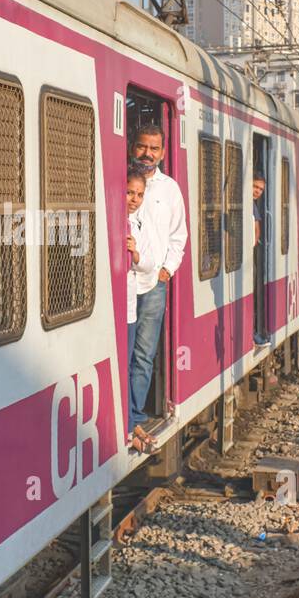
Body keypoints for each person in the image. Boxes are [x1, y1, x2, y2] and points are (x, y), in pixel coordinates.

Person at [126, 124, 187, 447]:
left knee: (144, 354)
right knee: (123, 352)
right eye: (141, 146)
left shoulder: (170, 189)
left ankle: (135, 417)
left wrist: (168, 269)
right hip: (124, 283)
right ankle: (125, 419)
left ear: (163, 153)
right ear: (132, 147)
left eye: (153, 148)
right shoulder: (120, 179)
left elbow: (179, 234)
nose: (147, 154)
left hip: (153, 283)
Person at [125, 169, 158, 454]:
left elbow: (149, 263)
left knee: (133, 359)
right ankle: (127, 425)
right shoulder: (115, 219)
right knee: (122, 363)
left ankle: (131, 421)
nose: (134, 199)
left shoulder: (139, 223)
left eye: (139, 194)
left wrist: (135, 254)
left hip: (129, 307)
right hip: (118, 307)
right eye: (129, 192)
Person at [251, 173, 269, 346]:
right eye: (255, 187)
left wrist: (253, 243)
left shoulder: (253, 206)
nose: (257, 191)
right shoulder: (244, 203)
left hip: (250, 255)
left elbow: (257, 228)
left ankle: (255, 331)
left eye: (260, 189)